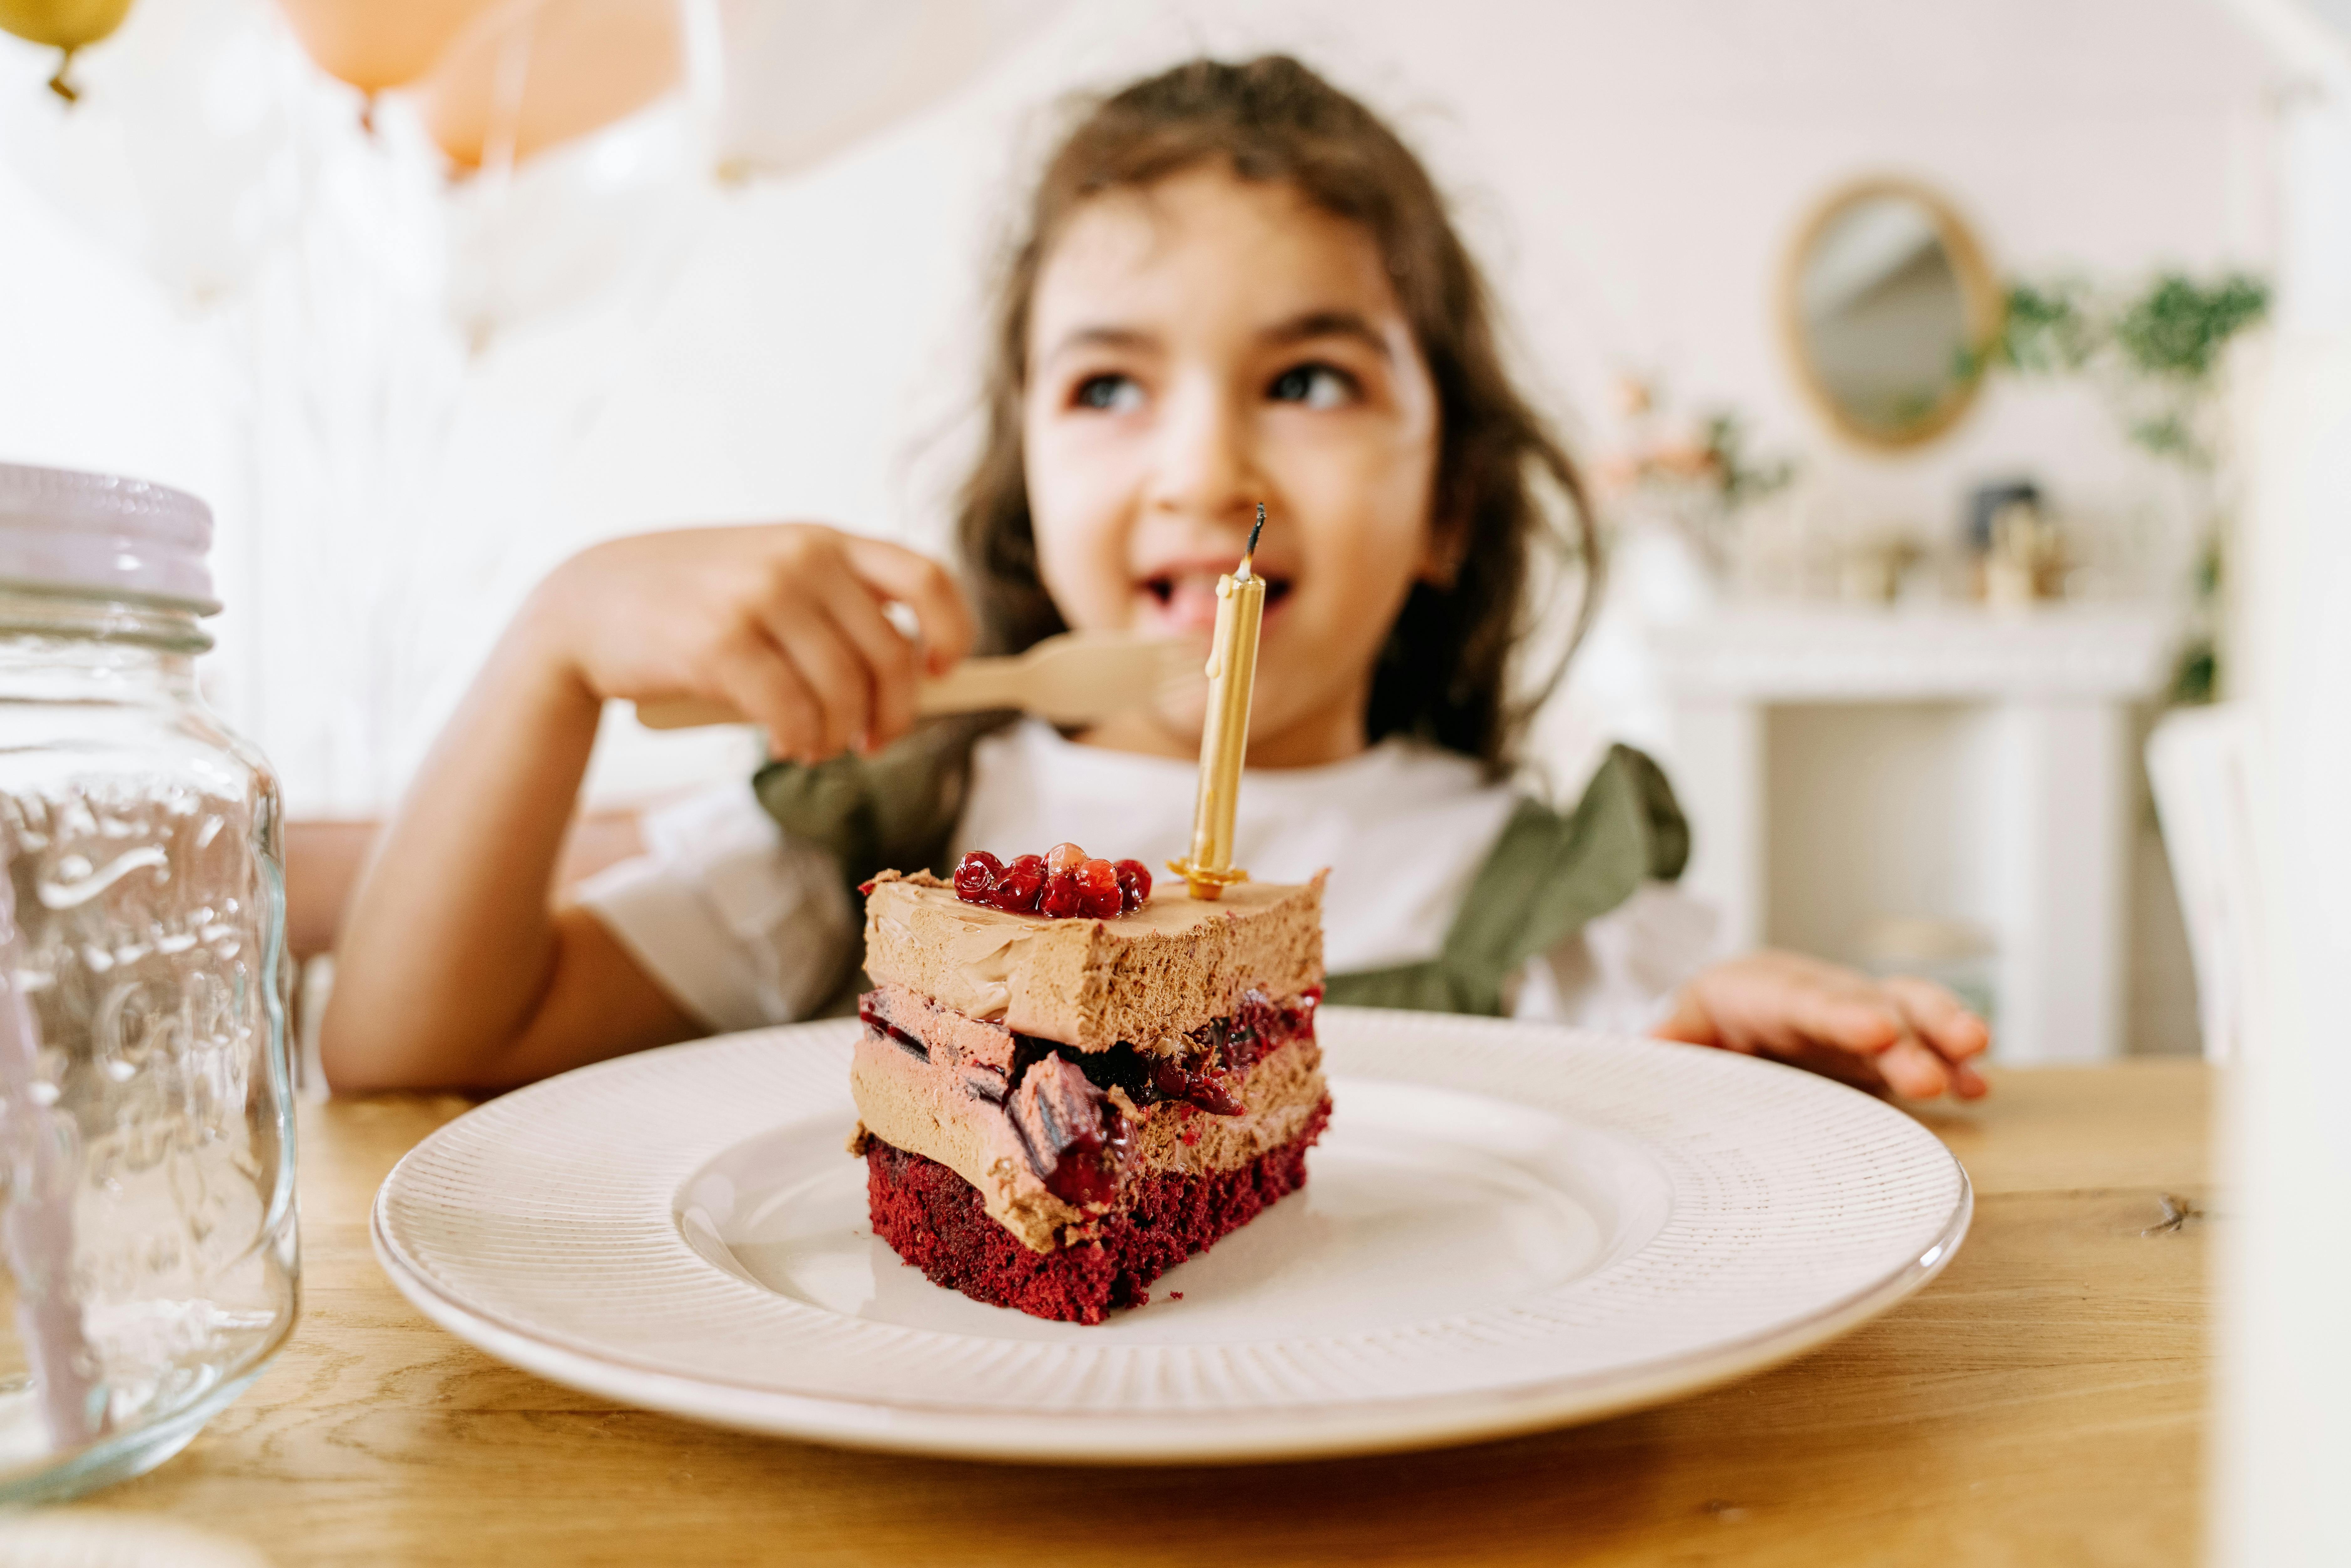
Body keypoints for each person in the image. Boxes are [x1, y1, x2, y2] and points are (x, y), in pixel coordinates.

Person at [320, 56, 1989, 1102]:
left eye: (1311, 378)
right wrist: (549, 653)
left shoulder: (1561, 912)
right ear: (1026, 474)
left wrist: (1742, 1066)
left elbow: (1659, 1167)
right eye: (1108, 386)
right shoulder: (888, 828)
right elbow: (409, 1041)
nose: (1206, 471)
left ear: (1450, 513)